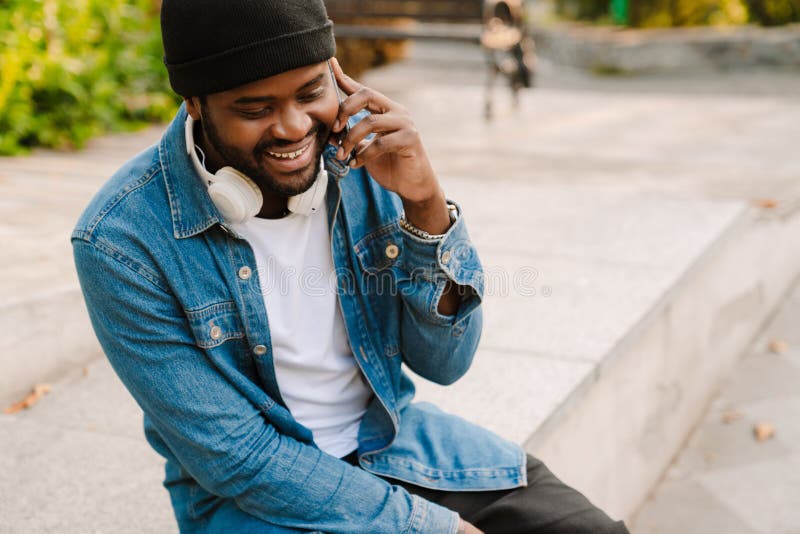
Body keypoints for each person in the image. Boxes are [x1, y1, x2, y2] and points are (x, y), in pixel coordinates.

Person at [72, 1, 629, 533]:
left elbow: (446, 361)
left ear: (336, 74)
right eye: (255, 108)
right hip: (258, 499)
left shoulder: (361, 158)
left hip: (392, 441)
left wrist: (425, 203)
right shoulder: (121, 241)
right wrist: (432, 528)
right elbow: (240, 460)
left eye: (311, 92)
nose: (293, 128)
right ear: (194, 103)